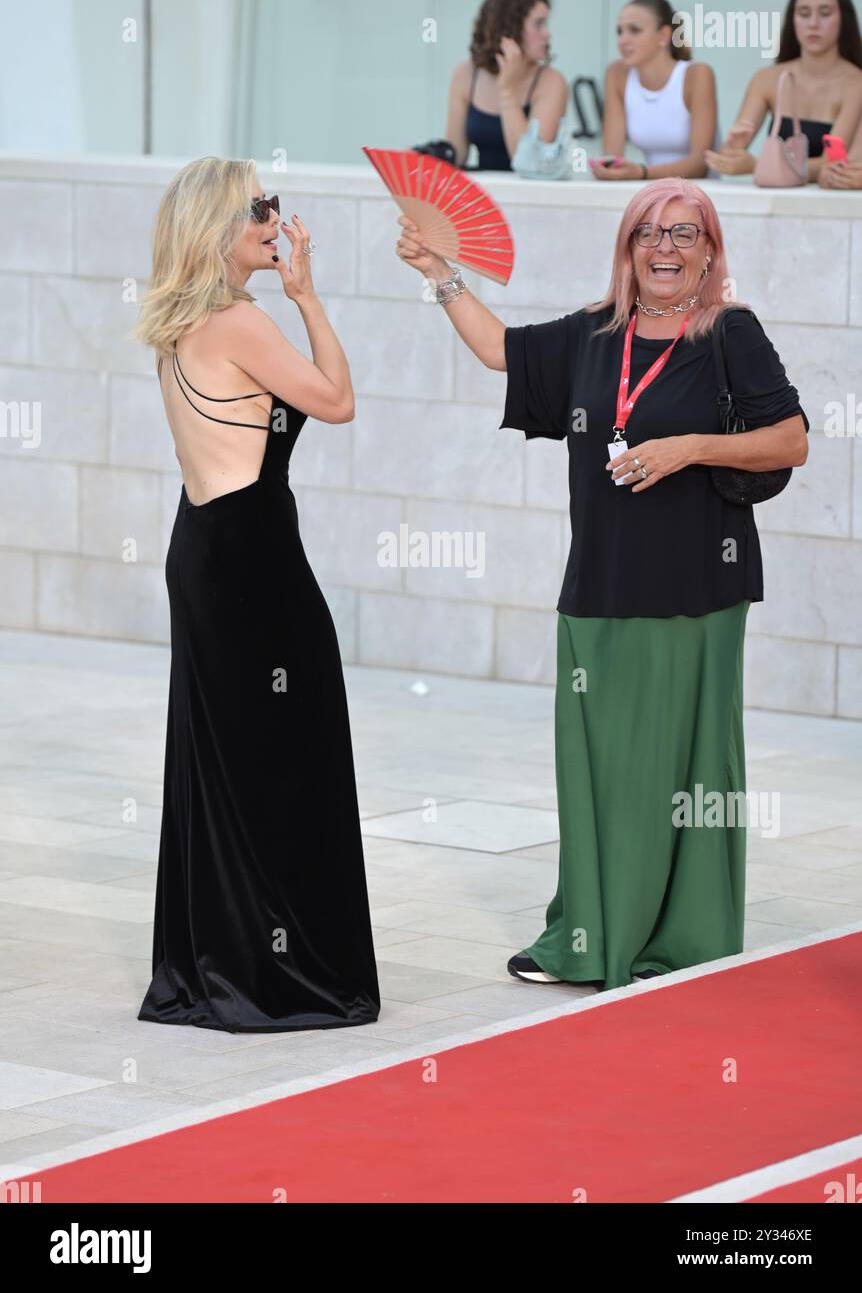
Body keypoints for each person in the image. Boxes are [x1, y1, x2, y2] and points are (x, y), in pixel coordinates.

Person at [395, 178, 809, 992]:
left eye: (685, 234)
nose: (665, 248)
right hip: (599, 580)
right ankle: (588, 935)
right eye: (649, 232)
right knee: (598, 767)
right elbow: (497, 350)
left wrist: (689, 447)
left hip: (699, 584)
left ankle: (683, 937)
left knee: (685, 770)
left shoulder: (731, 331)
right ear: (627, 248)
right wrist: (440, 270)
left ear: (710, 252)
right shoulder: (593, 334)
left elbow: (789, 440)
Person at [133, 156, 380, 1032]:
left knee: (225, 757)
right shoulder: (240, 320)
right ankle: (282, 970)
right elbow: (340, 401)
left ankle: (218, 958)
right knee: (289, 750)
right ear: (218, 229)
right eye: (259, 210)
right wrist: (309, 296)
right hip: (253, 555)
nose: (277, 221)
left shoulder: (179, 320)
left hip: (201, 543)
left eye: (274, 206)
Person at [705, 0, 862, 181]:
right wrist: (732, 149)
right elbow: (727, 159)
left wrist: (758, 164)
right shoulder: (767, 79)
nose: (813, 23)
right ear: (792, 19)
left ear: (844, 19)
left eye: (825, 13)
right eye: (804, 14)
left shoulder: (855, 83)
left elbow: (832, 163)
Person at [593, 0, 719, 181]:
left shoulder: (697, 74)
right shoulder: (616, 74)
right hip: (650, 192)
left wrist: (642, 173)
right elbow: (613, 155)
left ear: (664, 35)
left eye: (634, 30)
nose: (622, 40)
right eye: (619, 31)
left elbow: (700, 164)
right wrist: (609, 168)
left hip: (697, 195)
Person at [444, 0, 569, 171]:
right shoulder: (465, 75)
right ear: (510, 28)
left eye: (546, 24)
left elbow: (528, 162)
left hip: (530, 194)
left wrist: (508, 91)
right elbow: (458, 155)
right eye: (539, 24)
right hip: (485, 191)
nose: (547, 34)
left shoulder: (551, 81)